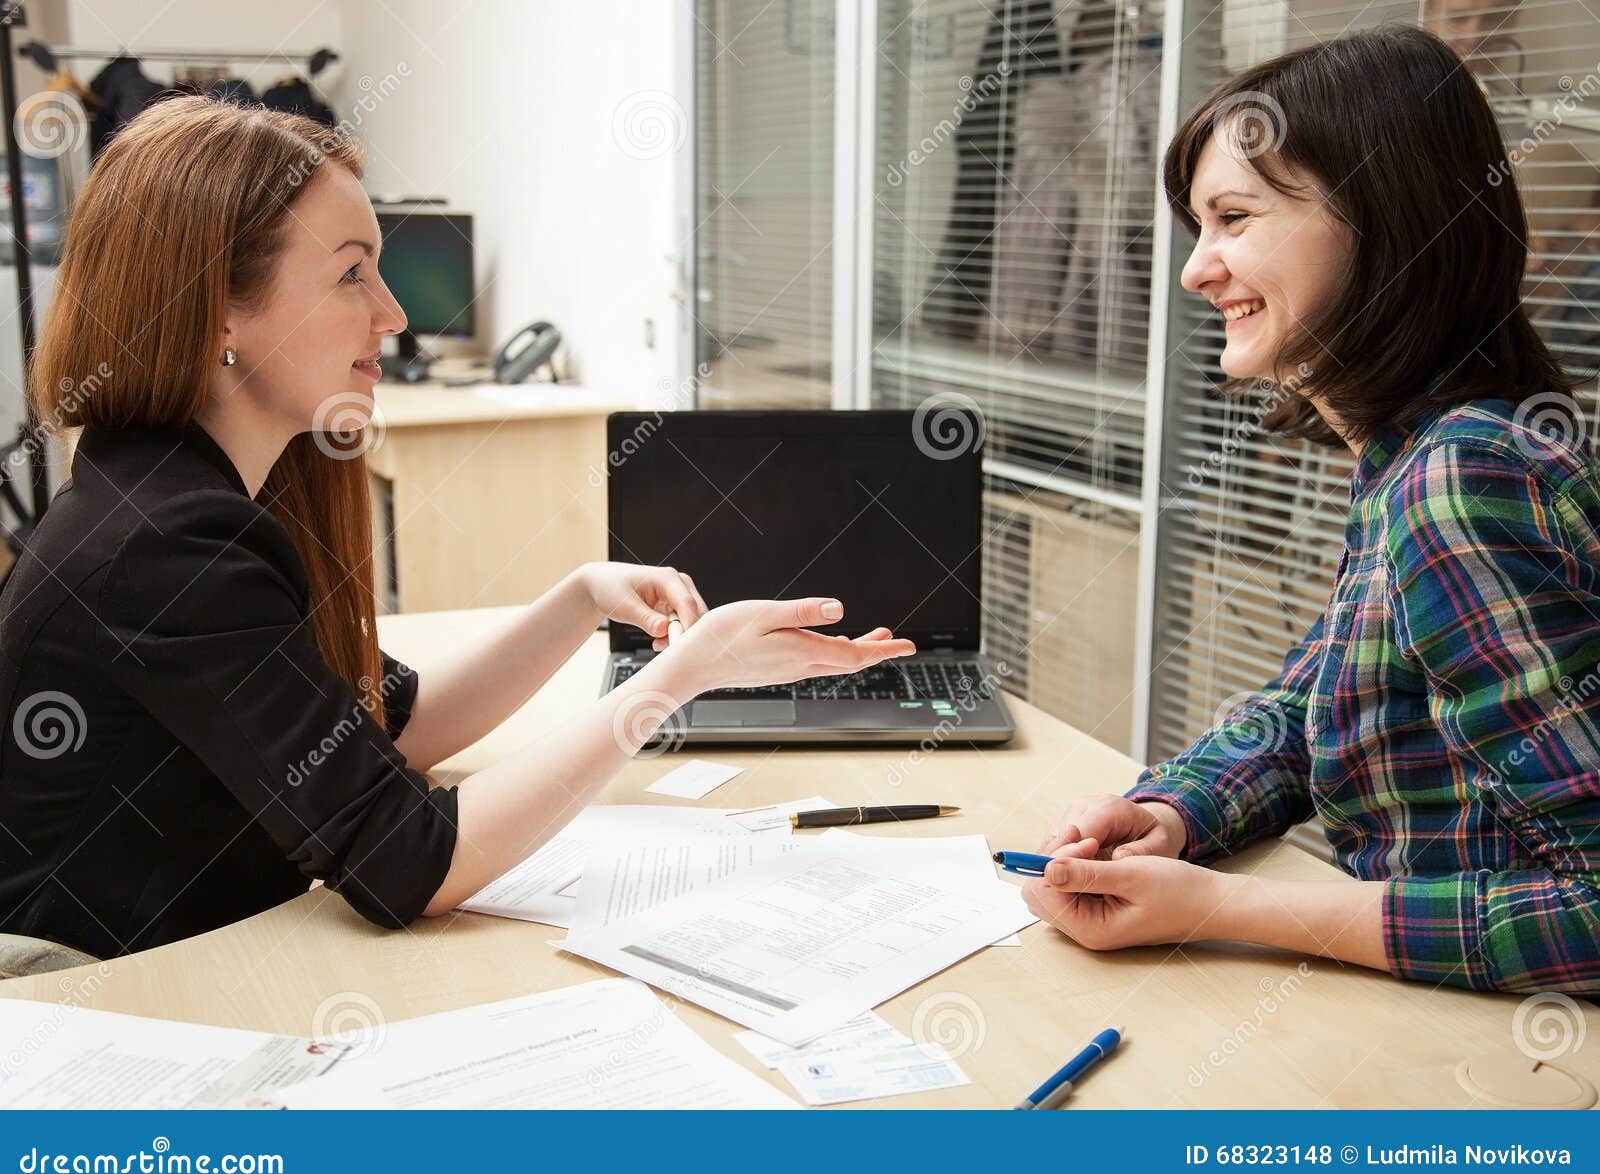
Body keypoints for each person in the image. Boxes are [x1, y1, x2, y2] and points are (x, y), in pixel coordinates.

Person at [0, 97, 915, 961]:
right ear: (220, 311)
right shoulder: (166, 547)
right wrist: (680, 678)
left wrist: (577, 601)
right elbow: (408, 861)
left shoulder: (179, 493)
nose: (394, 316)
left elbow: (387, 727)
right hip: (98, 995)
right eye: (352, 273)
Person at [1026, 25, 1600, 995]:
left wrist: (1214, 907)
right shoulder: (1410, 457)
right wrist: (1174, 812)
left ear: (1385, 222)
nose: (1195, 271)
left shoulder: (1460, 478)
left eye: (1234, 217)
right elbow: (1314, 706)